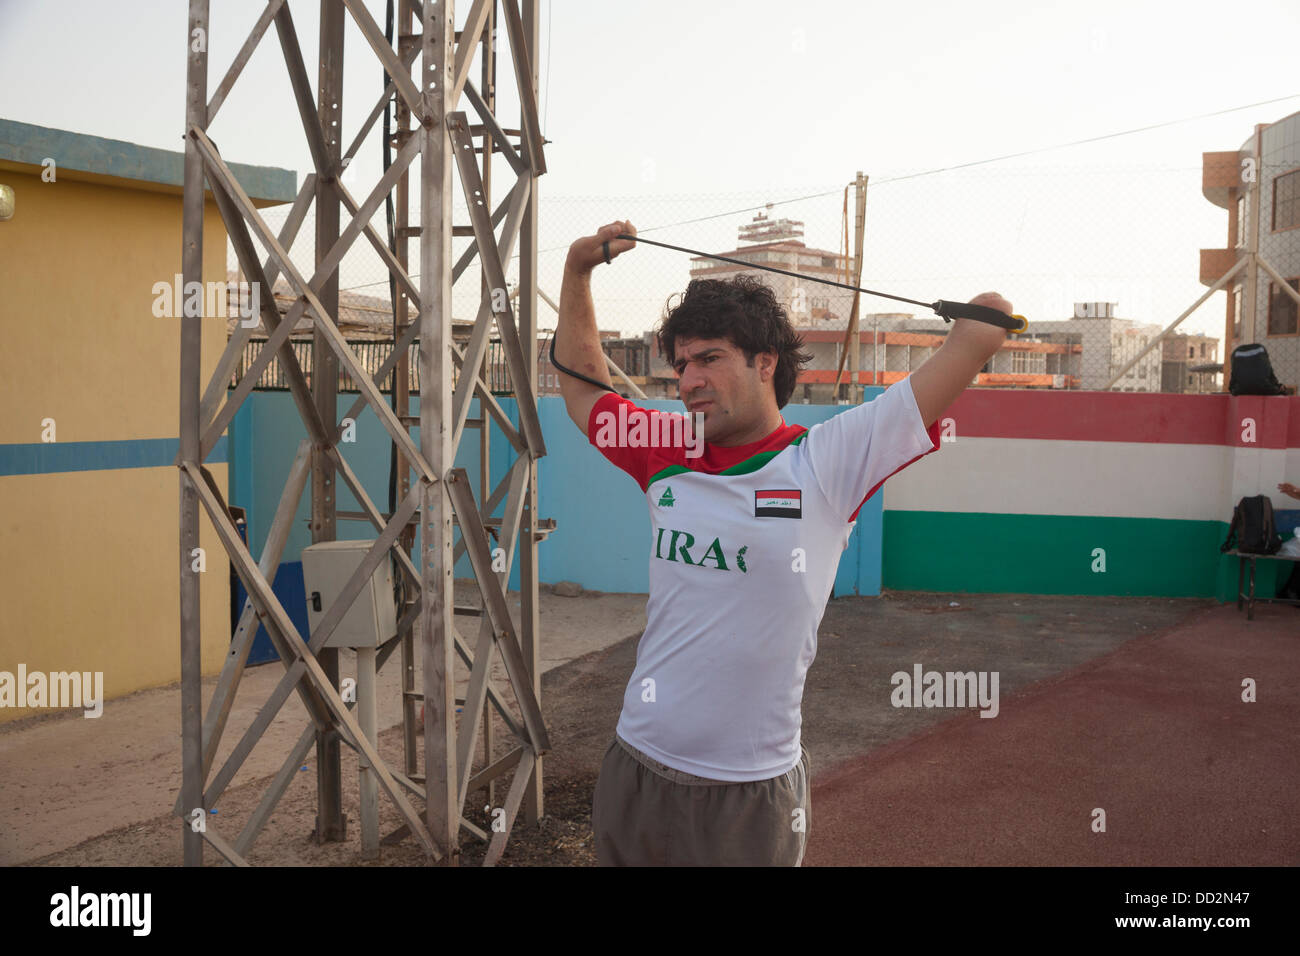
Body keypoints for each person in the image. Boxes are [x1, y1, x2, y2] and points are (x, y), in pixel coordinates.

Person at [555, 220, 1013, 866]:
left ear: (764, 361)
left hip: (749, 794)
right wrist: (577, 274)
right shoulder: (664, 448)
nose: (688, 380)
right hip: (637, 767)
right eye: (681, 363)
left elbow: (974, 340)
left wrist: (980, 323)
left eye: (708, 357)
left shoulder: (826, 461)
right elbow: (582, 392)